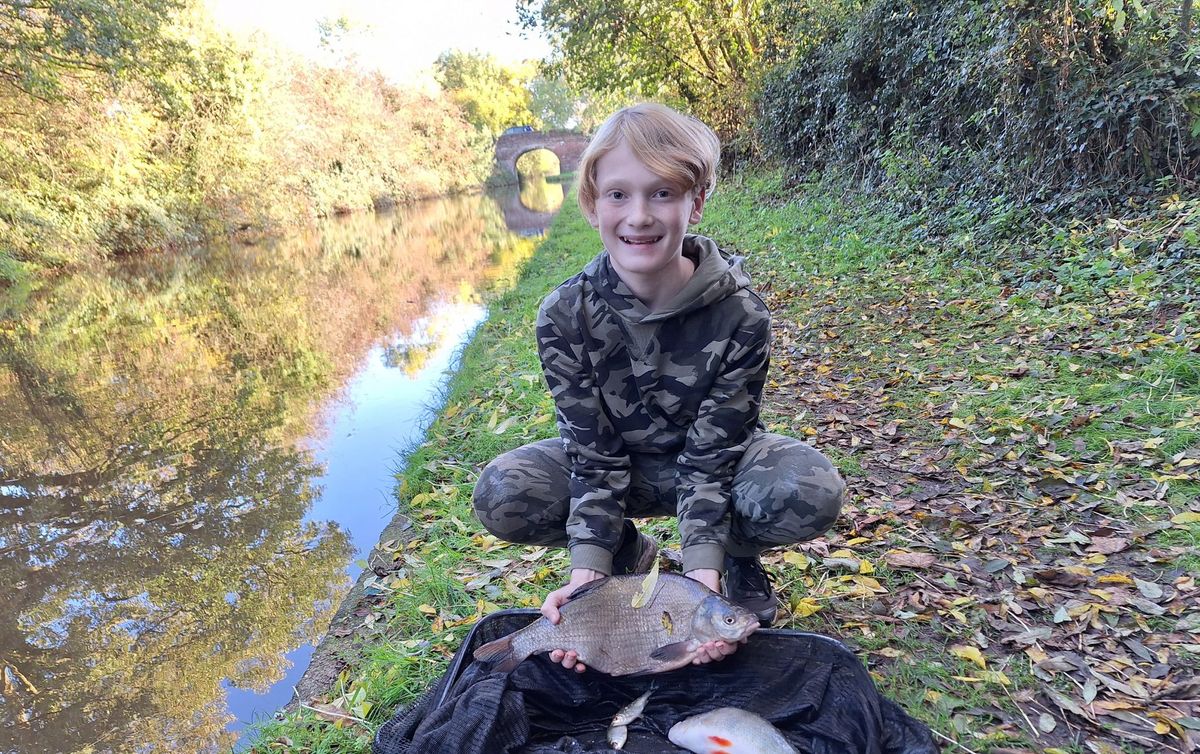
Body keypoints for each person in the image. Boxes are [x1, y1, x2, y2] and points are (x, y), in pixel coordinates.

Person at [472, 103, 845, 672]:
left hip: (712, 468)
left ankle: (737, 560)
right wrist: (588, 575)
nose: (639, 216)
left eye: (662, 193)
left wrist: (702, 582)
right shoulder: (563, 315)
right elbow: (593, 458)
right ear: (592, 204)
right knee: (502, 492)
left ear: (695, 202)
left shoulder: (742, 316)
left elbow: (713, 456)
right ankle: (629, 557)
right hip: (618, 468)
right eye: (618, 194)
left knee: (809, 487)